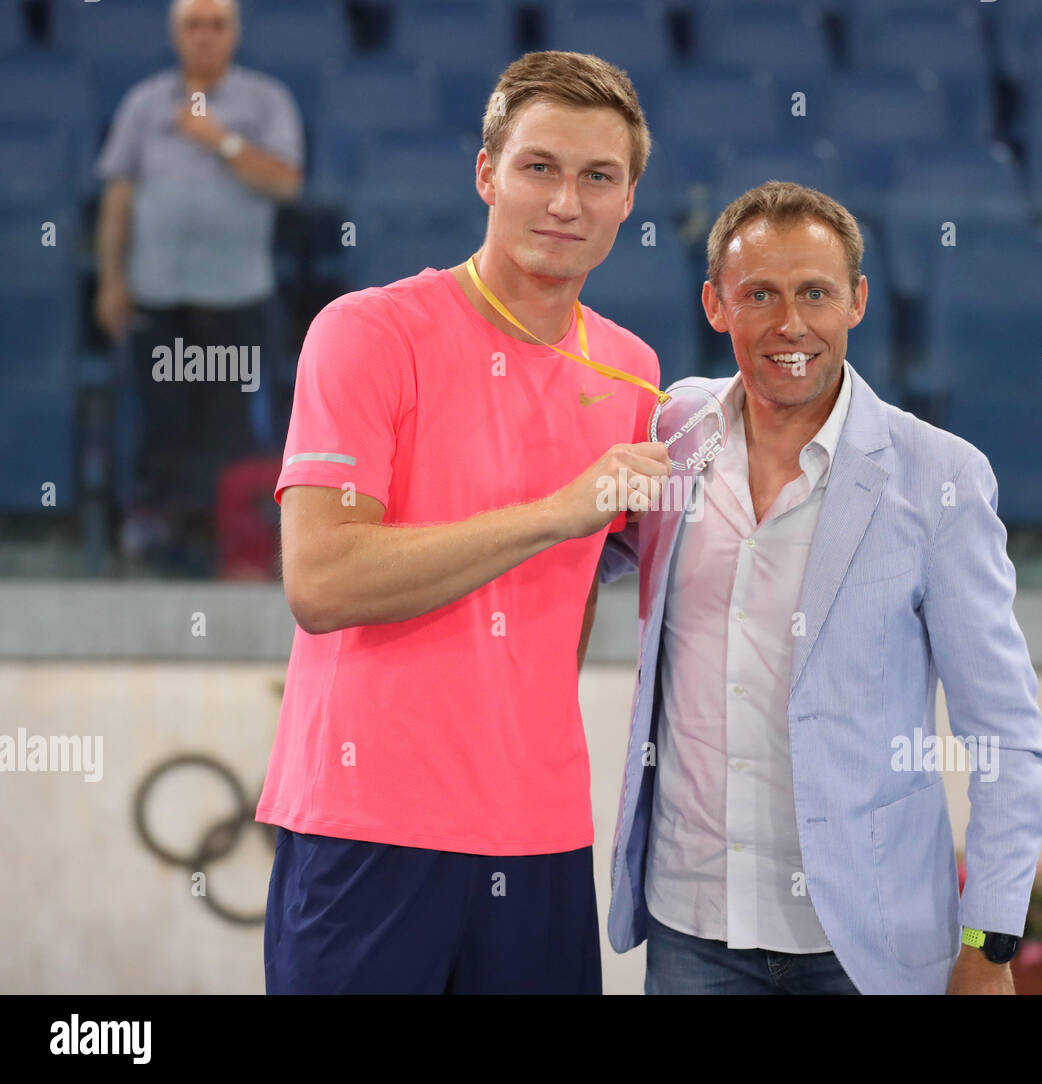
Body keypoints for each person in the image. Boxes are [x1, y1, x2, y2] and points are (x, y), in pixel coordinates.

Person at [257, 51, 671, 995]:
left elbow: (575, 599)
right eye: (539, 167)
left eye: (597, 177)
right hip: (366, 828)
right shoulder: (367, 332)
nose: (566, 201)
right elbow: (321, 583)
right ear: (486, 172)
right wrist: (557, 512)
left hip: (541, 834)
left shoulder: (634, 372)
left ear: (629, 198)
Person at [599, 181, 1042, 995]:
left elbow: (1005, 735)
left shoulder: (939, 476)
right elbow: (564, 561)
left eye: (815, 292)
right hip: (690, 927)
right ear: (715, 305)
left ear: (857, 302)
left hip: (869, 944)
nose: (790, 324)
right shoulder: (671, 436)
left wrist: (989, 945)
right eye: (759, 295)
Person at [93, 0, 302, 573]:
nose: (205, 36)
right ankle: (161, 555)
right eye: (193, 25)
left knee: (236, 429)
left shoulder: (266, 102)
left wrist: (222, 141)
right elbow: (119, 196)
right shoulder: (142, 103)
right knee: (163, 427)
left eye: (216, 24)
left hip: (237, 300)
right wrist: (111, 279)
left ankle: (235, 551)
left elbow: (286, 183)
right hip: (157, 300)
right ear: (175, 33)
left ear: (234, 33)